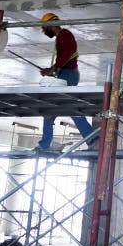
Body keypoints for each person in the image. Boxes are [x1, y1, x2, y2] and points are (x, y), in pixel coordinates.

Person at [35, 13, 94, 152]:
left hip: (69, 75)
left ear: (51, 25)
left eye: (45, 28)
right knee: (50, 111)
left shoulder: (64, 34)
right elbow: (64, 59)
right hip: (65, 74)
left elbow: (70, 52)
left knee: (71, 109)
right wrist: (51, 70)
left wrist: (54, 68)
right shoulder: (60, 37)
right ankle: (45, 144)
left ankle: (93, 140)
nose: (45, 32)